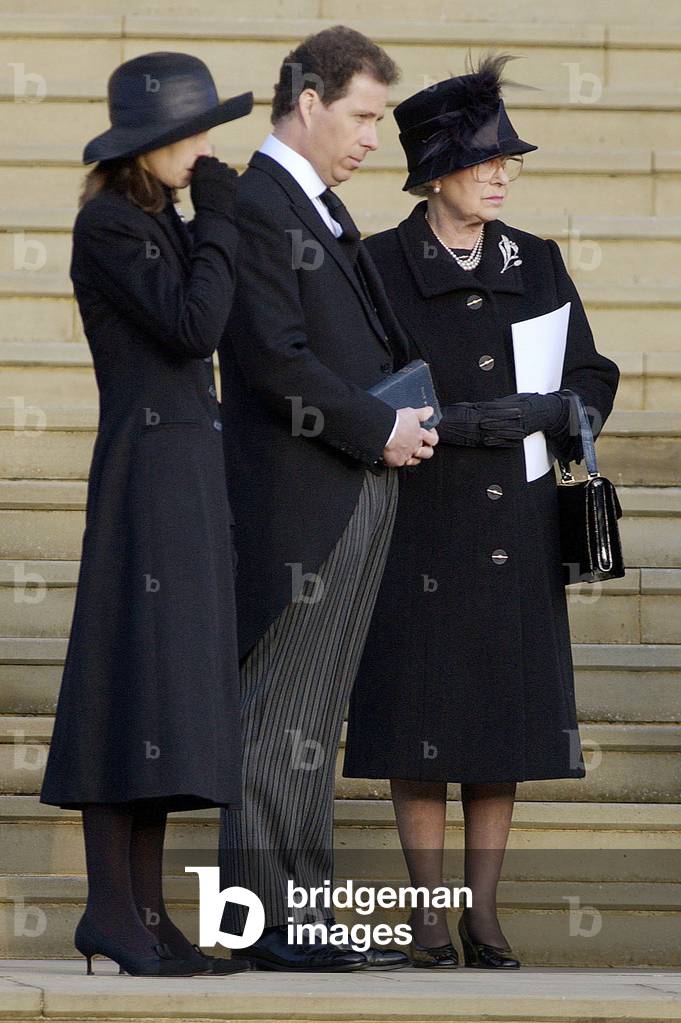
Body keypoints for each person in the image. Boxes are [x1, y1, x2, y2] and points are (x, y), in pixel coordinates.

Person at [342, 53, 620, 970]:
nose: (502, 173)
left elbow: (590, 371)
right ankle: (426, 917)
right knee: (422, 726)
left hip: (517, 525)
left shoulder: (535, 260)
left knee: (497, 729)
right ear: (434, 173)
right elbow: (352, 389)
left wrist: (556, 411)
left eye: (509, 160)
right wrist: (446, 422)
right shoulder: (377, 264)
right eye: (484, 159)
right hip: (418, 515)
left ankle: (484, 916)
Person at [217, 26, 438, 972]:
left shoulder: (312, 203)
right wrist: (373, 427)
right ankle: (266, 924)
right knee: (280, 715)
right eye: (363, 116)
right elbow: (272, 358)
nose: (374, 138)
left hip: (350, 486)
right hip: (301, 498)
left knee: (310, 718)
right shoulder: (261, 201)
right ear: (308, 102)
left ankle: (298, 913)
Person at [39, 52, 254, 978]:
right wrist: (220, 222)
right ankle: (108, 910)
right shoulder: (110, 228)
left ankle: (146, 912)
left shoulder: (157, 221)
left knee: (167, 687)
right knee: (129, 679)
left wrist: (207, 223)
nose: (204, 148)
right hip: (142, 476)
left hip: (186, 473)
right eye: (191, 133)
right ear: (149, 144)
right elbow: (192, 324)